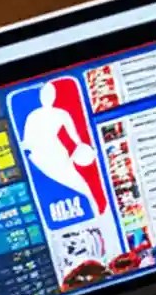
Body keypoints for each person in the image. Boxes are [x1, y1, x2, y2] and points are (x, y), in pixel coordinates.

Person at [21, 80, 102, 215]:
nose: (47, 98)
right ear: (41, 97)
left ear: (53, 97)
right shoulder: (33, 116)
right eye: (45, 95)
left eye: (49, 95)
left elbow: (75, 138)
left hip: (58, 156)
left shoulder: (61, 114)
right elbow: (26, 142)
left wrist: (85, 151)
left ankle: (97, 214)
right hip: (41, 158)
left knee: (81, 187)